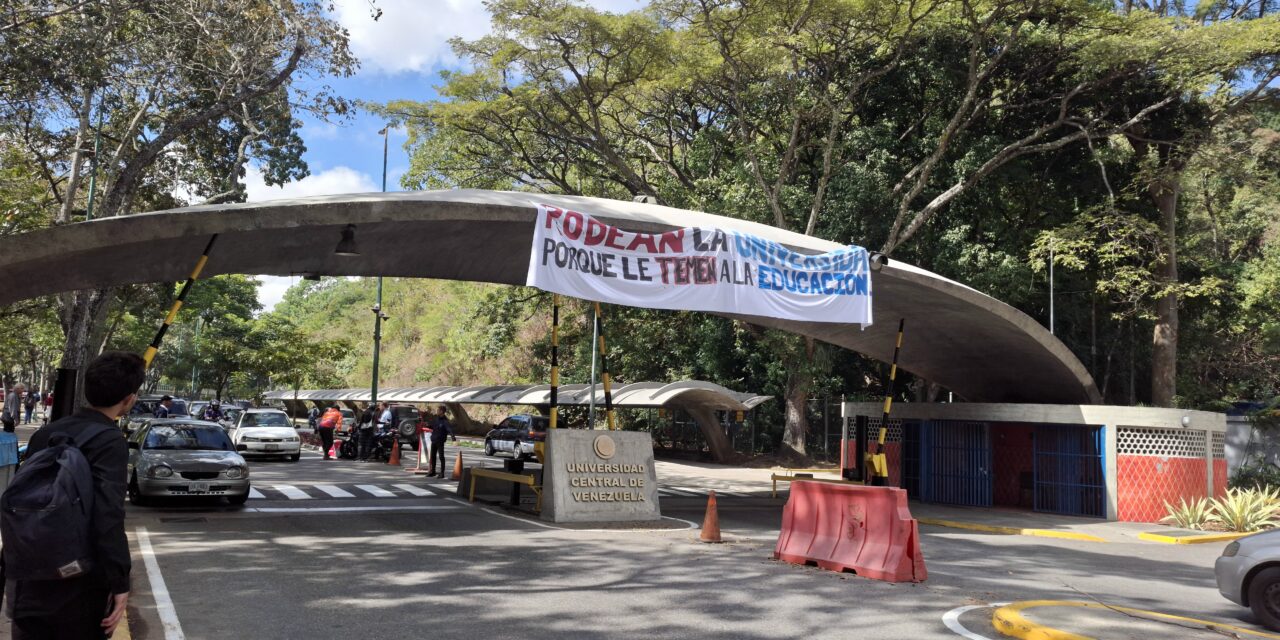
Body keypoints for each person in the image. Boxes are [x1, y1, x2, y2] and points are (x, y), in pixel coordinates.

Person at [4, 351, 141, 639]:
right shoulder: (109, 441)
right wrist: (120, 582)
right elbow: (108, 516)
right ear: (129, 399)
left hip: (28, 573)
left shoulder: (47, 433)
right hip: (78, 582)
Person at [427, 405, 457, 479]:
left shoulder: (445, 421)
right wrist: (427, 425)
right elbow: (432, 426)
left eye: (438, 410)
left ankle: (442, 473)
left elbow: (450, 430)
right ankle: (433, 471)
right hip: (434, 440)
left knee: (441, 457)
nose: (437, 411)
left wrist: (453, 439)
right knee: (432, 456)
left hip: (440, 441)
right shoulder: (436, 419)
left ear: (442, 411)